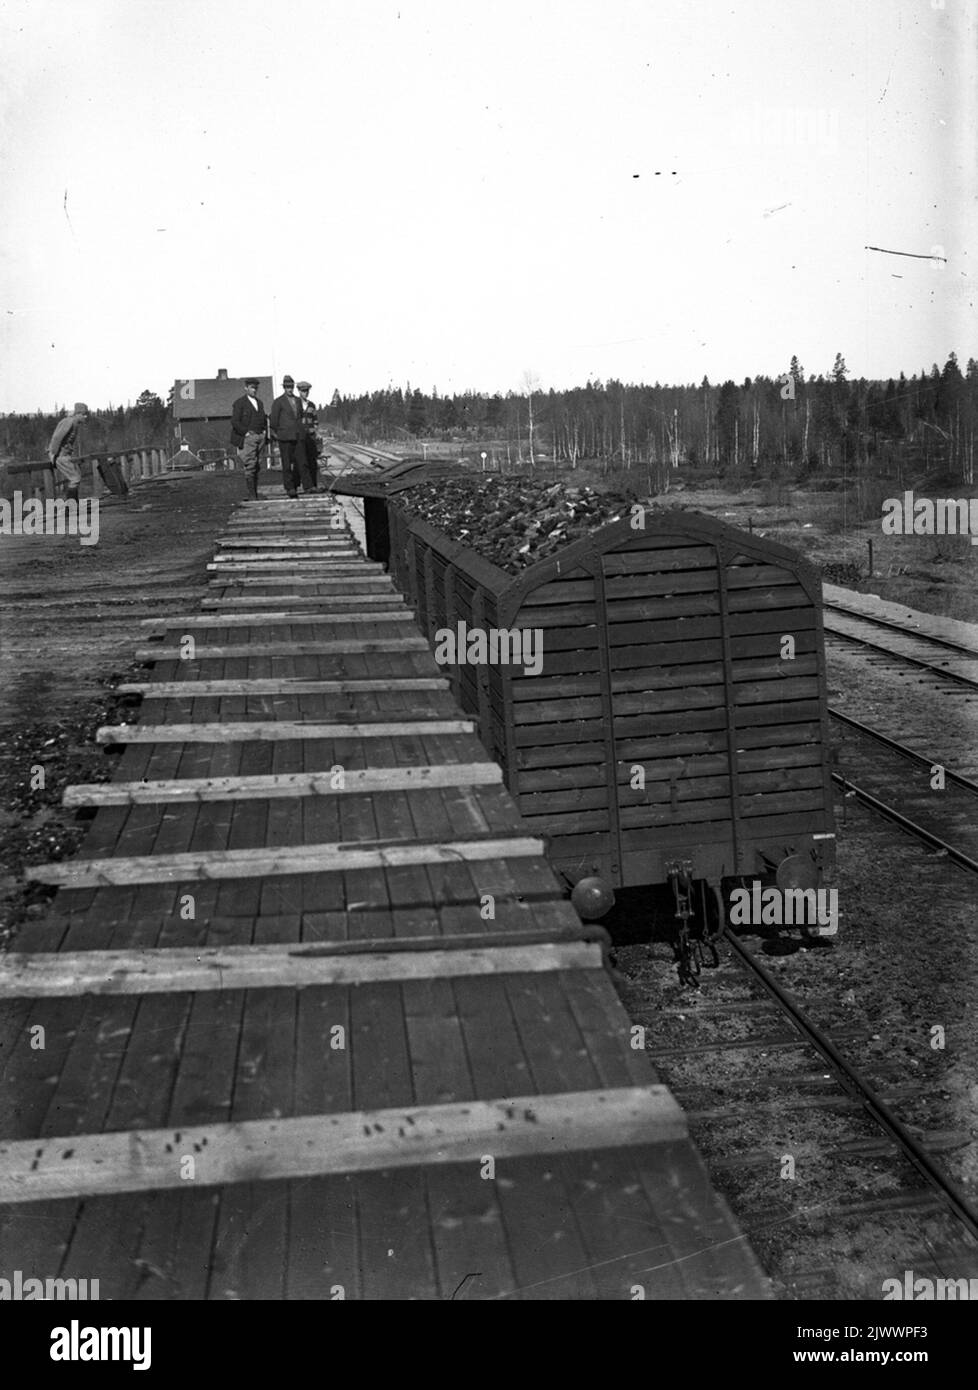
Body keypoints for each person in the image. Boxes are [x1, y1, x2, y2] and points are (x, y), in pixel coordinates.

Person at [230, 377, 268, 500]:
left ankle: (255, 493)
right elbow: (235, 422)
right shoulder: (239, 403)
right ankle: (252, 495)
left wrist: (263, 432)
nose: (254, 390)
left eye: (256, 388)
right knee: (250, 465)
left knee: (257, 465)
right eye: (252, 387)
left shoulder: (259, 403)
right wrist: (245, 433)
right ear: (246, 388)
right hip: (248, 438)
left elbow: (263, 419)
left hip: (259, 437)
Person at [47, 403, 89, 502]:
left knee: (76, 477)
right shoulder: (69, 422)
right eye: (84, 415)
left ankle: (73, 506)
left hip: (65, 455)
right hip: (60, 456)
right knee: (75, 478)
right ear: (78, 413)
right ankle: (71, 507)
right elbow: (57, 438)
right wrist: (52, 454)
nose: (85, 417)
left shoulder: (74, 423)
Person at [269, 374, 303, 497]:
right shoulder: (278, 402)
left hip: (297, 436)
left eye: (291, 387)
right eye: (287, 387)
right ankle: (289, 488)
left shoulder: (298, 401)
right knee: (287, 463)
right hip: (284, 437)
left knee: (299, 462)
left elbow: (300, 417)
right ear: (284, 387)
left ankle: (295, 484)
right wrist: (277, 434)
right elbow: (273, 421)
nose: (290, 389)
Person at [296, 380, 320, 492]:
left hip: (310, 437)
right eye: (303, 391)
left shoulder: (311, 405)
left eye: (307, 391)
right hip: (300, 438)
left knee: (312, 461)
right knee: (302, 462)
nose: (305, 393)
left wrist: (315, 432)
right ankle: (306, 486)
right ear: (299, 391)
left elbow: (315, 421)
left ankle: (314, 485)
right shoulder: (295, 404)